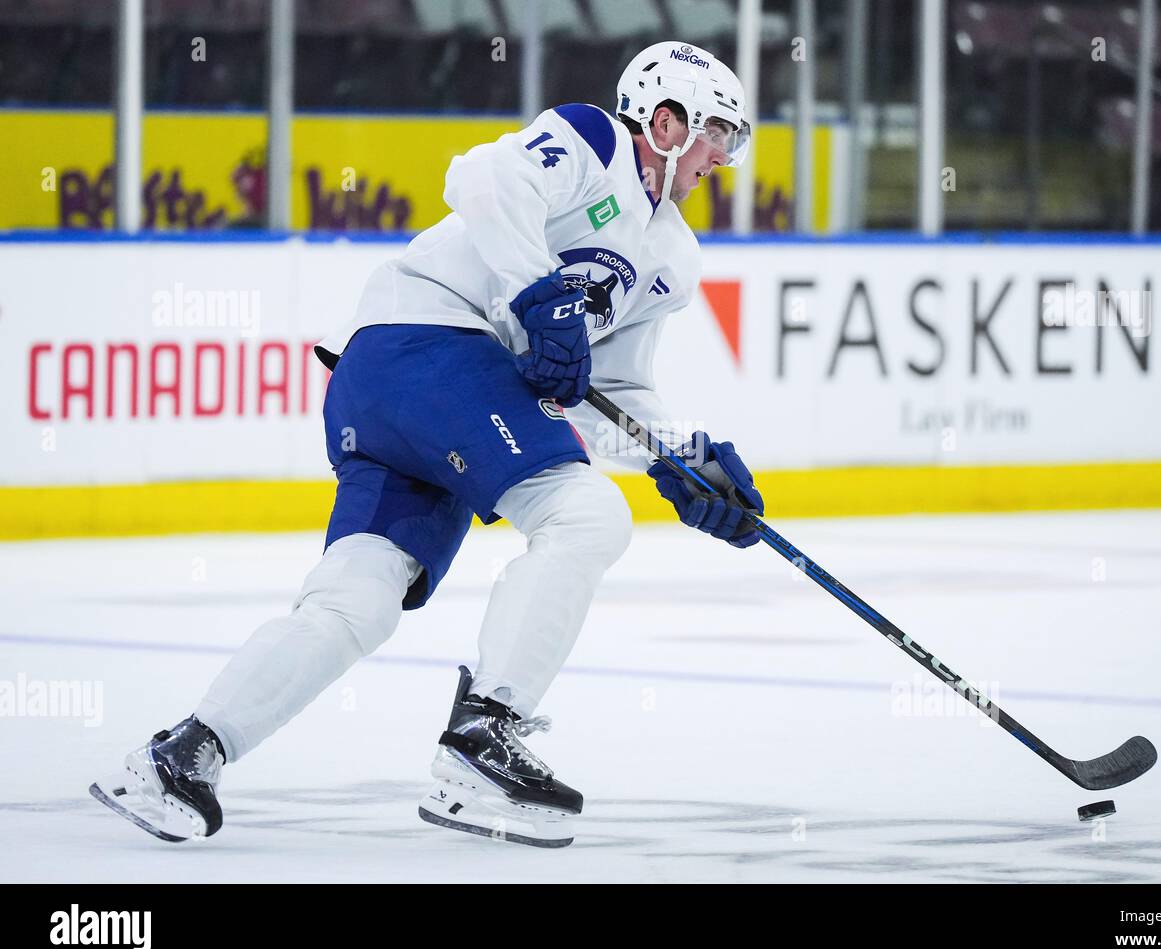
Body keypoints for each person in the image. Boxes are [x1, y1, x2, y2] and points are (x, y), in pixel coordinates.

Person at [91, 41, 764, 849]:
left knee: (357, 604)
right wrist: (536, 293)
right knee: (586, 515)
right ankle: (484, 736)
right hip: (426, 345)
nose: (723, 157)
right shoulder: (594, 142)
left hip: (410, 395)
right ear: (667, 119)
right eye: (717, 132)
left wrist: (676, 453)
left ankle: (181, 755)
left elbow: (598, 394)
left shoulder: (671, 262)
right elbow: (479, 179)